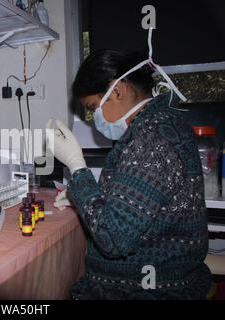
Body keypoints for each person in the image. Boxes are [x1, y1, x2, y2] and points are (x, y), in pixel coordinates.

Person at [47, 49, 212, 299]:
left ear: (117, 90)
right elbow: (138, 202)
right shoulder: (157, 125)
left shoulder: (152, 139)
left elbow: (114, 238)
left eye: (94, 108)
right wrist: (82, 197)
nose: (96, 118)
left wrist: (76, 166)